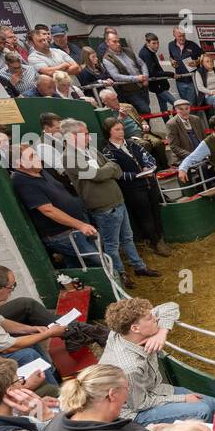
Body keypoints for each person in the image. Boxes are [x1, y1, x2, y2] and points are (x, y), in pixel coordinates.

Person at [61, 121, 158, 289]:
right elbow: (97, 175)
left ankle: (139, 267)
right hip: (102, 206)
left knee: (127, 238)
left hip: (116, 200)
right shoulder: (69, 157)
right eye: (84, 133)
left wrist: (106, 170)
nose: (88, 136)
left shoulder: (90, 149)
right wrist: (107, 170)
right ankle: (120, 274)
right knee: (112, 244)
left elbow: (117, 168)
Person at [99, 297, 215, 425]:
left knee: (214, 404)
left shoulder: (121, 332)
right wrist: (183, 398)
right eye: (150, 318)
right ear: (135, 328)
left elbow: (170, 306)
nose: (156, 318)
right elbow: (140, 404)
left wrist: (162, 333)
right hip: (134, 412)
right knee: (202, 410)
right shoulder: (130, 368)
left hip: (155, 389)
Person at [9, 142, 101, 265]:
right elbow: (48, 210)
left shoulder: (39, 171)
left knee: (77, 264)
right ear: (19, 163)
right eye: (32, 157)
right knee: (97, 260)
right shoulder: (22, 181)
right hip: (63, 234)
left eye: (35, 155)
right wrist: (81, 225)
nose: (38, 159)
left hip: (75, 228)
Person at [101, 116, 170, 258]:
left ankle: (161, 238)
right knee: (145, 215)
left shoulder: (132, 143)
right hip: (133, 189)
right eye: (117, 129)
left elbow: (149, 157)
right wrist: (138, 174)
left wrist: (149, 167)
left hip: (150, 183)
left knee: (156, 211)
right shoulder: (108, 151)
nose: (121, 132)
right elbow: (117, 173)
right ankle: (155, 242)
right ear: (109, 131)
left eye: (122, 129)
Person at [97, 88, 169, 170]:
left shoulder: (127, 106)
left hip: (142, 133)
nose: (116, 101)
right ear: (105, 102)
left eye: (116, 98)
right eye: (113, 100)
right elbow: (111, 130)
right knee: (145, 144)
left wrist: (144, 124)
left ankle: (165, 166)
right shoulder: (105, 114)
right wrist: (120, 118)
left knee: (158, 143)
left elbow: (140, 119)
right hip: (128, 138)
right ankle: (151, 168)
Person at [99, 32, 151, 112]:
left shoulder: (128, 50)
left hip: (143, 86)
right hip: (130, 91)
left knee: (146, 110)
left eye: (118, 41)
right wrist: (136, 78)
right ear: (107, 42)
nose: (118, 44)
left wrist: (145, 76)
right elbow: (116, 76)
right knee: (145, 110)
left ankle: (144, 124)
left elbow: (142, 63)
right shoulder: (107, 58)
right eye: (114, 42)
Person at [165, 97, 210, 171]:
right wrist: (193, 156)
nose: (184, 111)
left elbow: (204, 138)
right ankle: (207, 182)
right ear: (176, 110)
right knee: (202, 165)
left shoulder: (196, 119)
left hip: (201, 153)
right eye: (181, 109)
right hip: (184, 156)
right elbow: (174, 147)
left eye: (187, 108)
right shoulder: (171, 124)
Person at [136, 32, 177, 112]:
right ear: (147, 43)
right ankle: (172, 123)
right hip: (156, 84)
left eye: (157, 43)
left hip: (158, 83)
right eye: (153, 43)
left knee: (163, 107)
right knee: (176, 103)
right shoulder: (146, 54)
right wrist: (170, 74)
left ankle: (167, 123)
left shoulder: (150, 51)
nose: (156, 45)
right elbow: (153, 72)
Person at [166, 25, 204, 106]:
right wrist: (172, 61)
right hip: (179, 80)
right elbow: (171, 57)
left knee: (192, 104)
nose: (182, 38)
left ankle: (193, 118)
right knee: (184, 104)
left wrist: (197, 61)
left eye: (183, 35)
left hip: (192, 80)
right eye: (179, 36)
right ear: (174, 35)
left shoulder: (192, 44)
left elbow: (203, 55)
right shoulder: (171, 45)